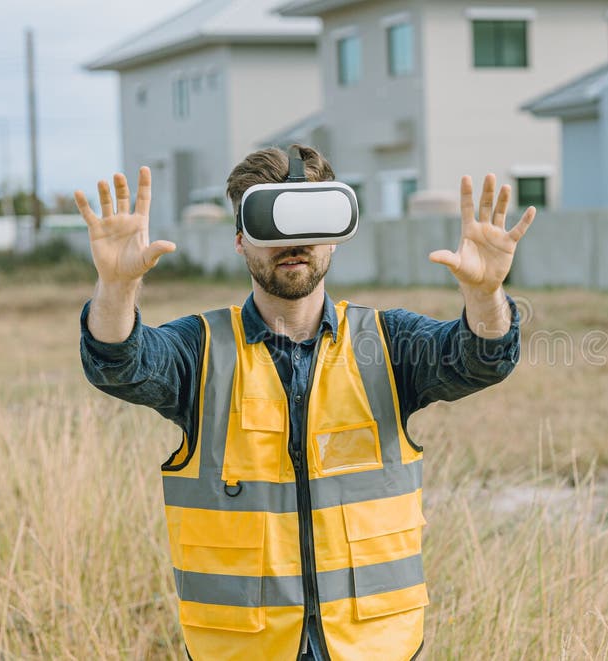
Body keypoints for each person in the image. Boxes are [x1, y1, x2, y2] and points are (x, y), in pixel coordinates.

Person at [75, 145, 536, 661]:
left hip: (375, 647)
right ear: (239, 240)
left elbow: (481, 358)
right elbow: (120, 363)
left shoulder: (386, 342)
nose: (293, 243)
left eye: (312, 222)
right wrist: (116, 287)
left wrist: (486, 296)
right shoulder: (200, 351)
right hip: (243, 651)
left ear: (336, 239)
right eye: (272, 224)